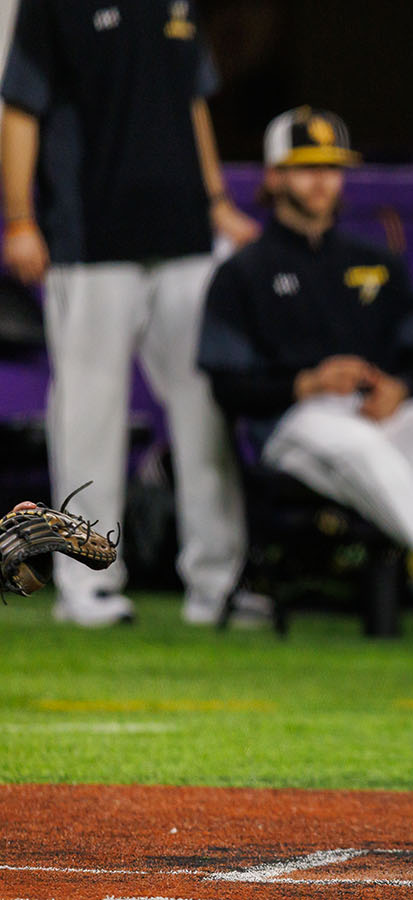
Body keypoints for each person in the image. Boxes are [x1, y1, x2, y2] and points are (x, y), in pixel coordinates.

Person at [197, 107, 413, 648]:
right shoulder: (242, 273)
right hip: (291, 423)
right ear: (273, 176)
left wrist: (398, 385)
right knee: (368, 453)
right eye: (306, 167)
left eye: (332, 167)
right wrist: (306, 383)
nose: (322, 180)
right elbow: (225, 386)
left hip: (378, 408)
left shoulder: (374, 259)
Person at [0, 0, 262, 627]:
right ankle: (87, 587)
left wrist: (217, 199)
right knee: (90, 413)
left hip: (185, 236)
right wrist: (19, 218)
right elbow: (19, 109)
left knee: (205, 408)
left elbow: (192, 102)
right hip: (91, 241)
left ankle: (214, 584)